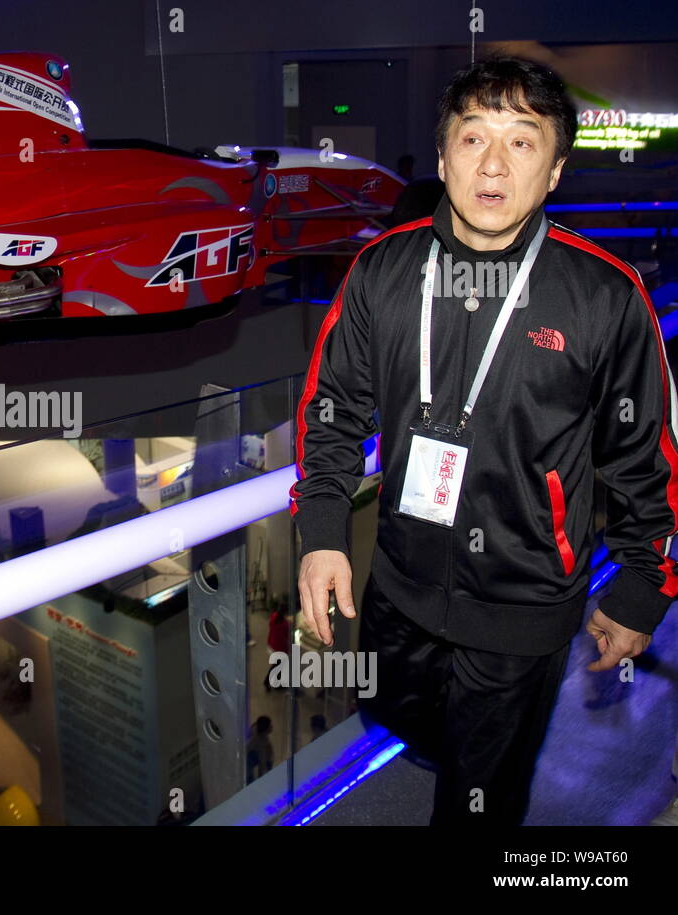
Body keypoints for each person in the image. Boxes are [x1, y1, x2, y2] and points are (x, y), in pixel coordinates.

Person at [290, 56, 678, 825]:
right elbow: (330, 410)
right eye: (473, 139)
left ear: (555, 171)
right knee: (400, 720)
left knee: (478, 797)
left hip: (523, 611)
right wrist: (324, 532)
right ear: (443, 158)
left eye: (523, 142)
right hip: (398, 589)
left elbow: (647, 462)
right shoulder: (383, 270)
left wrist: (641, 589)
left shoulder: (603, 295)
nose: (493, 163)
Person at [245, 716, 274, 782]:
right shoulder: (258, 741)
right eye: (270, 725)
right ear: (266, 728)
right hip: (248, 766)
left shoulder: (260, 735)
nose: (272, 727)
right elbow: (262, 761)